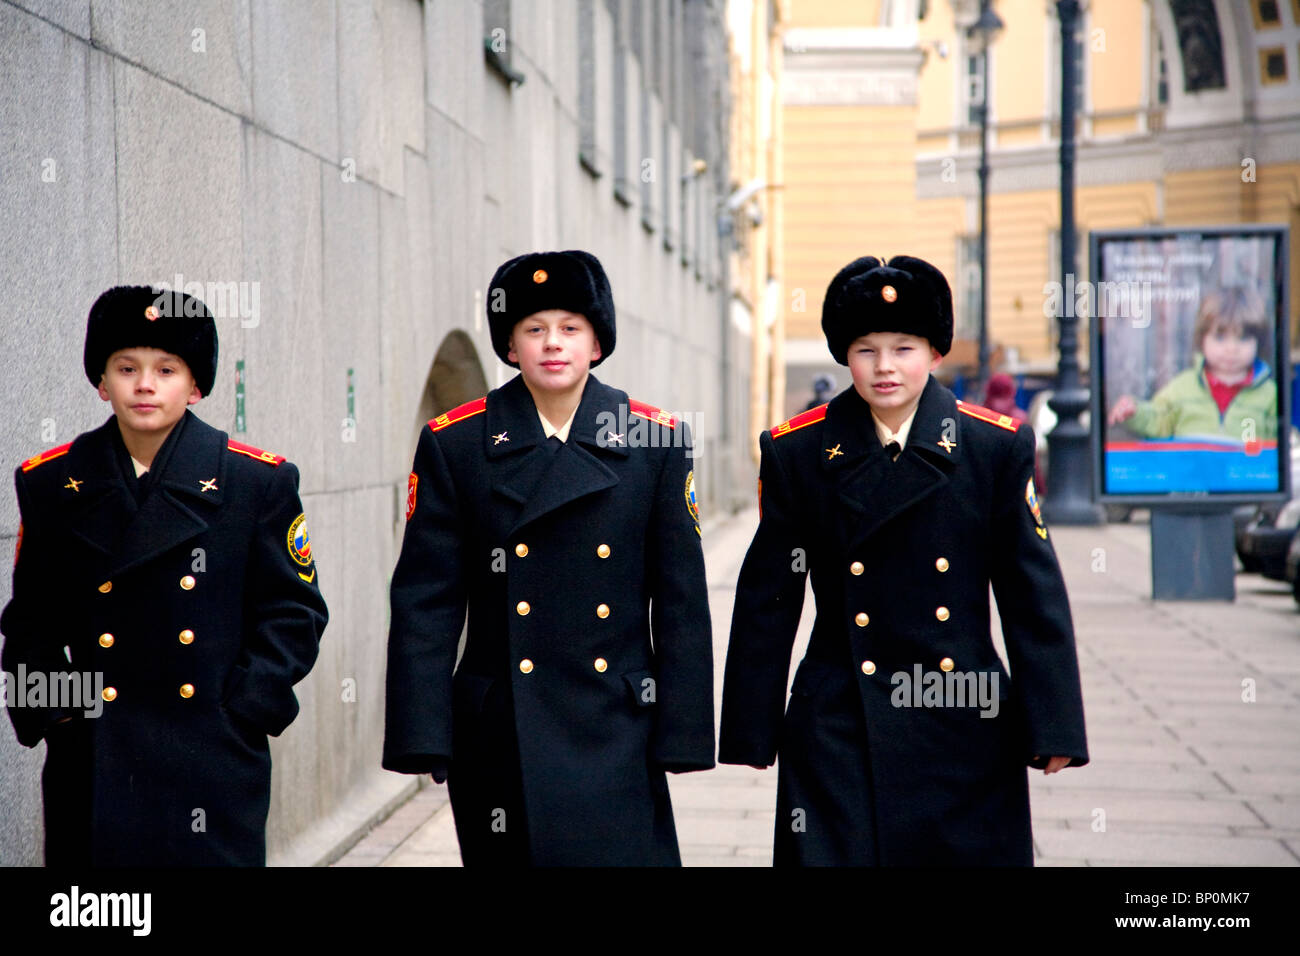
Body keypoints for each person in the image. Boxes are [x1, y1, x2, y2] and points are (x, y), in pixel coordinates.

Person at [718, 255, 1088, 866]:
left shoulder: (993, 447)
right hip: (838, 719)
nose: (884, 367)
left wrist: (1055, 726)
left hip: (963, 718)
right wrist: (751, 729)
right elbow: (768, 598)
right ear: (844, 355)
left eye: (904, 347)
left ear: (936, 352)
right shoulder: (798, 451)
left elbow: (1031, 593)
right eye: (865, 349)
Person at [383, 249, 715, 866]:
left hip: (616, 725)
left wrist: (685, 732)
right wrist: (421, 732)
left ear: (597, 342)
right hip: (503, 730)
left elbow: (681, 603)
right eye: (533, 330)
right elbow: (426, 599)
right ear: (509, 346)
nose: (552, 344)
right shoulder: (456, 443)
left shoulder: (654, 441)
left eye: (570, 328)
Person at [1, 285, 328, 866]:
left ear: (195, 385)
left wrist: (243, 710)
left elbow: (294, 612)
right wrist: (61, 717)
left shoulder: (254, 483)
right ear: (102, 382)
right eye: (126, 367)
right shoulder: (52, 483)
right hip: (95, 758)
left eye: (166, 368)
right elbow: (31, 624)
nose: (144, 384)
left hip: (211, 755)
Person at [1107, 287, 1277, 441]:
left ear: (1259, 342)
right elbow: (1158, 419)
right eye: (1220, 338)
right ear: (1202, 339)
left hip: (1244, 474)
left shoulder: (1270, 395)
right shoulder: (1183, 387)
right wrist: (1134, 412)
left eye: (1243, 338)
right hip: (1189, 474)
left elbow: (1279, 445)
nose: (1231, 349)